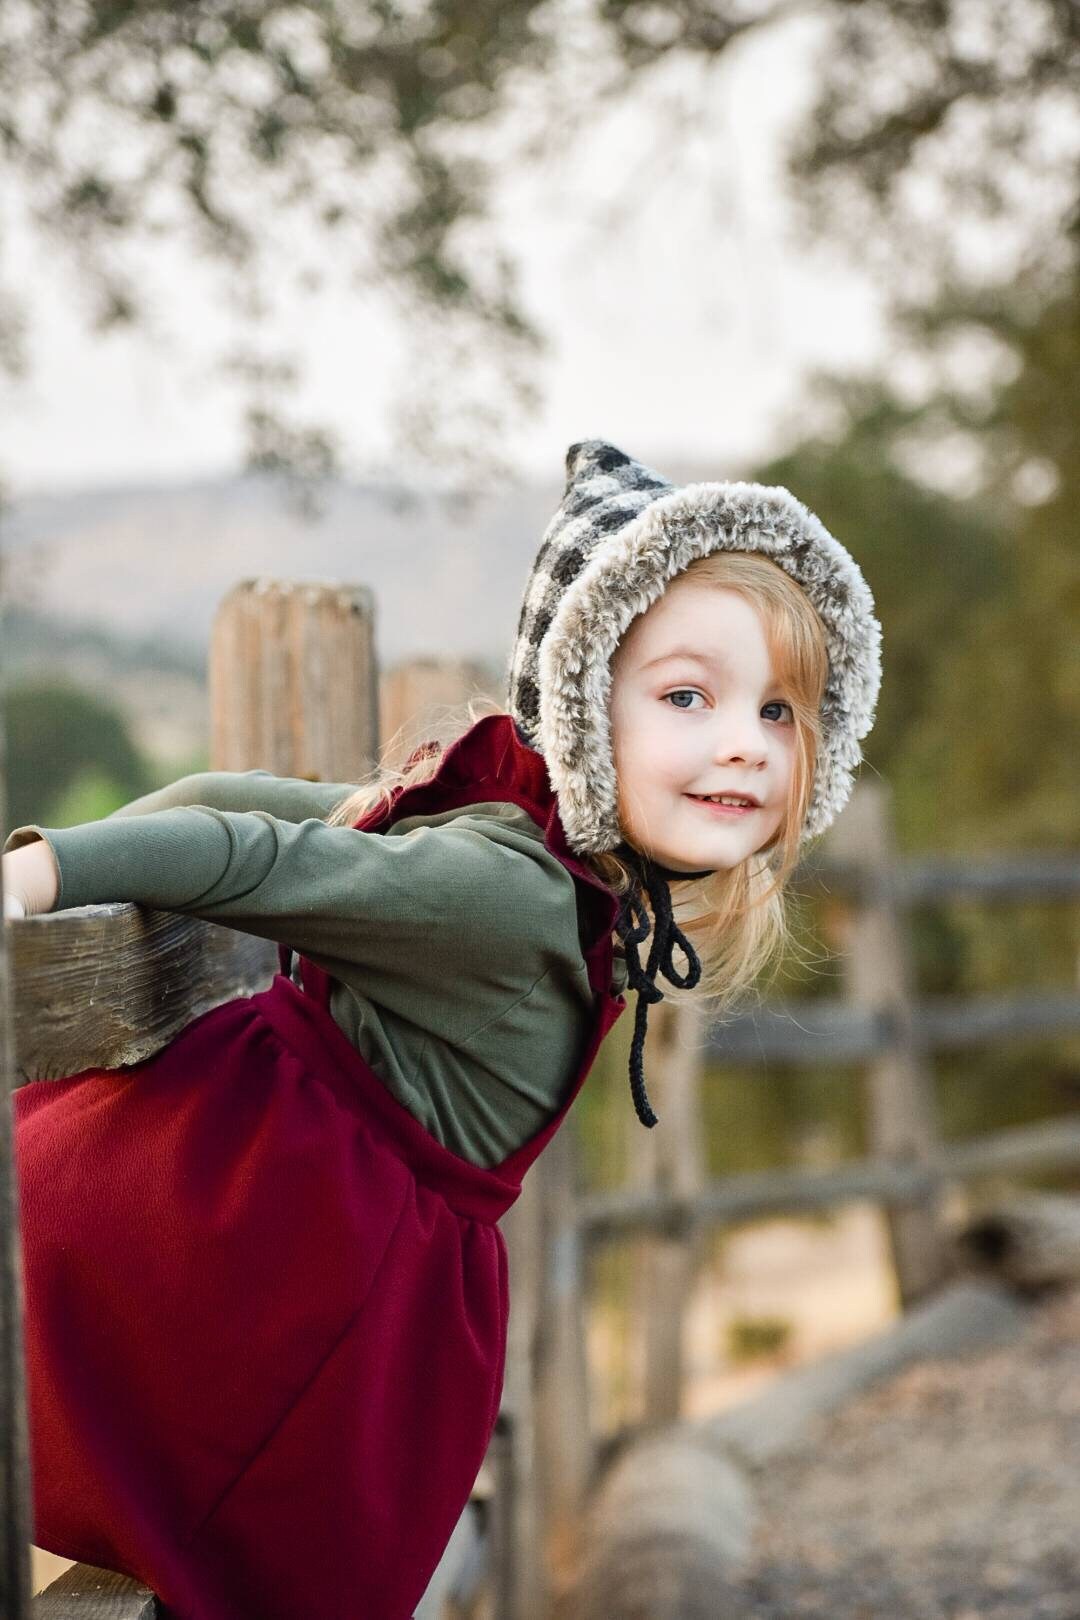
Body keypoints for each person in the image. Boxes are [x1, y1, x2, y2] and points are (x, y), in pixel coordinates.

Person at [2, 438, 882, 1619]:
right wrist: (50, 870)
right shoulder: (512, 890)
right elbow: (251, 848)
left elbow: (260, 805)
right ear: (580, 706)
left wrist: (142, 829)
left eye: (780, 708)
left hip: (301, 1238)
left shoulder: (568, 874)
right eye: (688, 697)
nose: (745, 743)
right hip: (254, 1258)